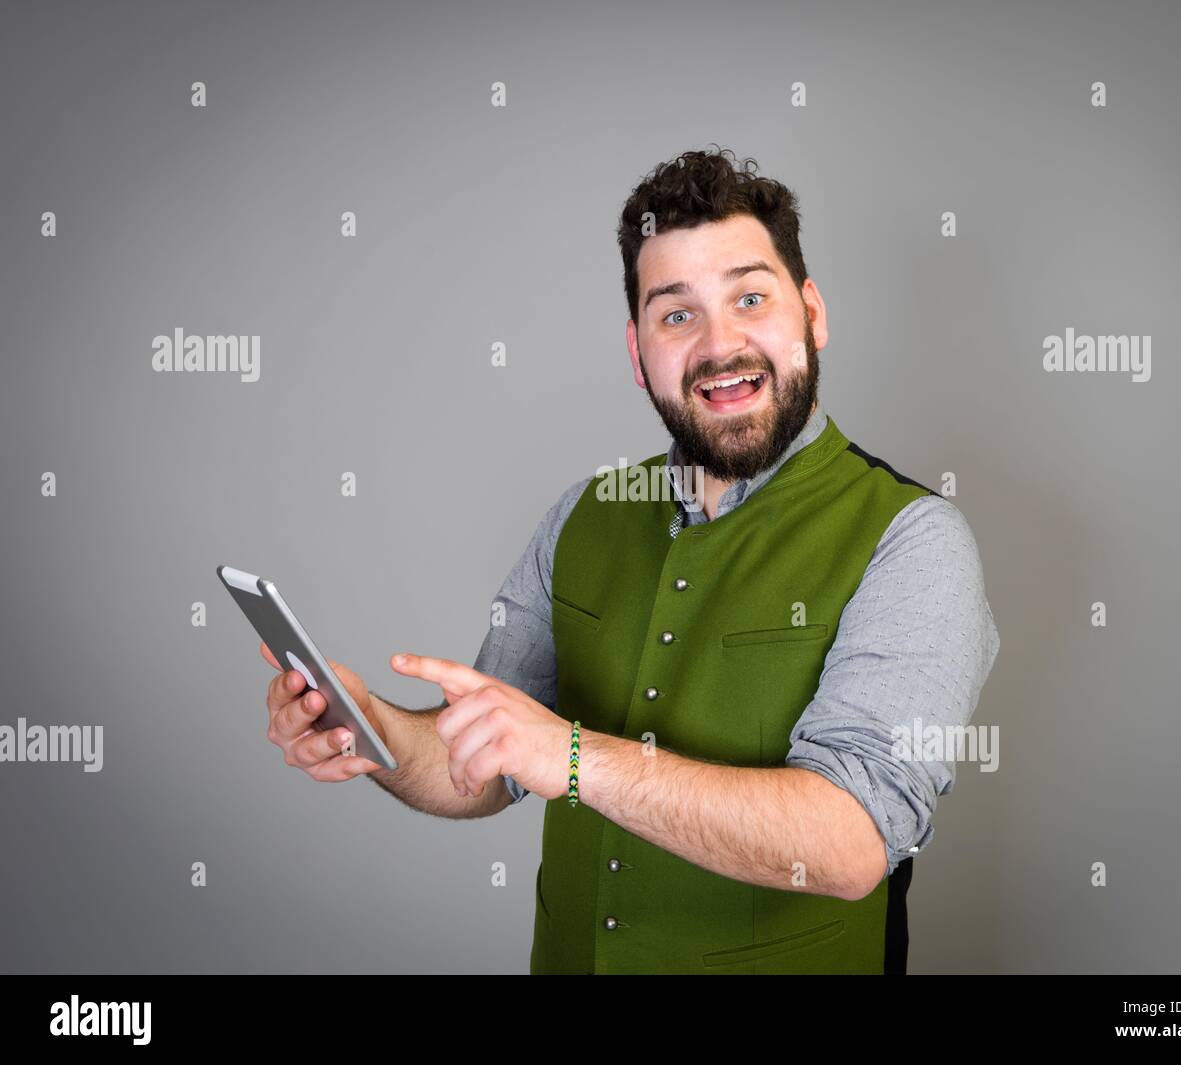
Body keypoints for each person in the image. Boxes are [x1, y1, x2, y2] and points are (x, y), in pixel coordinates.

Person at [261, 146, 1000, 974]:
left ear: (812, 313)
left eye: (750, 298)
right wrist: (372, 728)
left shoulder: (914, 541)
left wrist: (571, 758)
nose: (721, 345)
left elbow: (850, 838)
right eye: (676, 314)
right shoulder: (581, 515)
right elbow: (485, 764)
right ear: (637, 349)